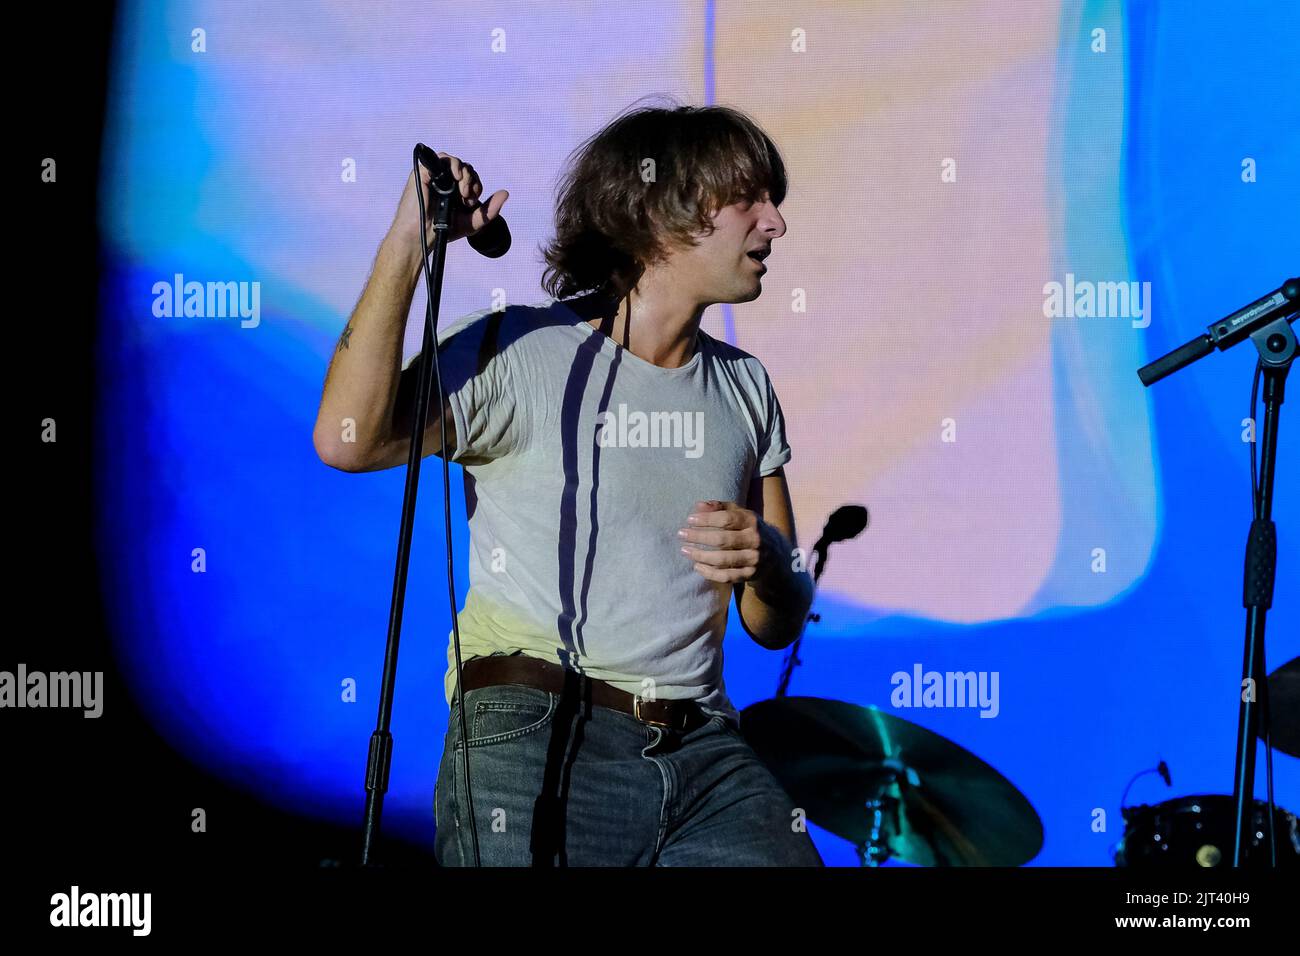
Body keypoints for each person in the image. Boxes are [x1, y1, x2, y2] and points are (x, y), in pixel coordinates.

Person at [313, 100, 822, 866]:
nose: (775, 223)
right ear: (662, 211)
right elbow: (346, 441)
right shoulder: (523, 348)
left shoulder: (745, 386)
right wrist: (409, 246)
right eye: (749, 198)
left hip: (708, 756)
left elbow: (773, 623)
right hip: (536, 725)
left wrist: (769, 563)